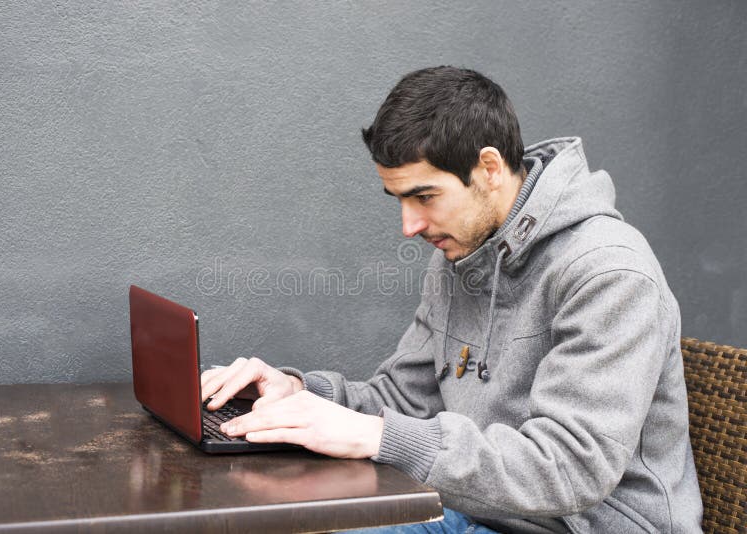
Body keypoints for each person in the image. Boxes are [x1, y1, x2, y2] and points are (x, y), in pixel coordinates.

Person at [200, 66, 703, 533]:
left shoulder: (607, 272)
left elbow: (569, 469)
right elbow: (403, 399)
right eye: (399, 200)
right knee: (280, 517)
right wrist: (299, 394)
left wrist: (376, 436)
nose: (409, 225)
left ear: (488, 167)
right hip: (478, 511)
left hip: (588, 526)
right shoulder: (463, 256)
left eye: (424, 197)